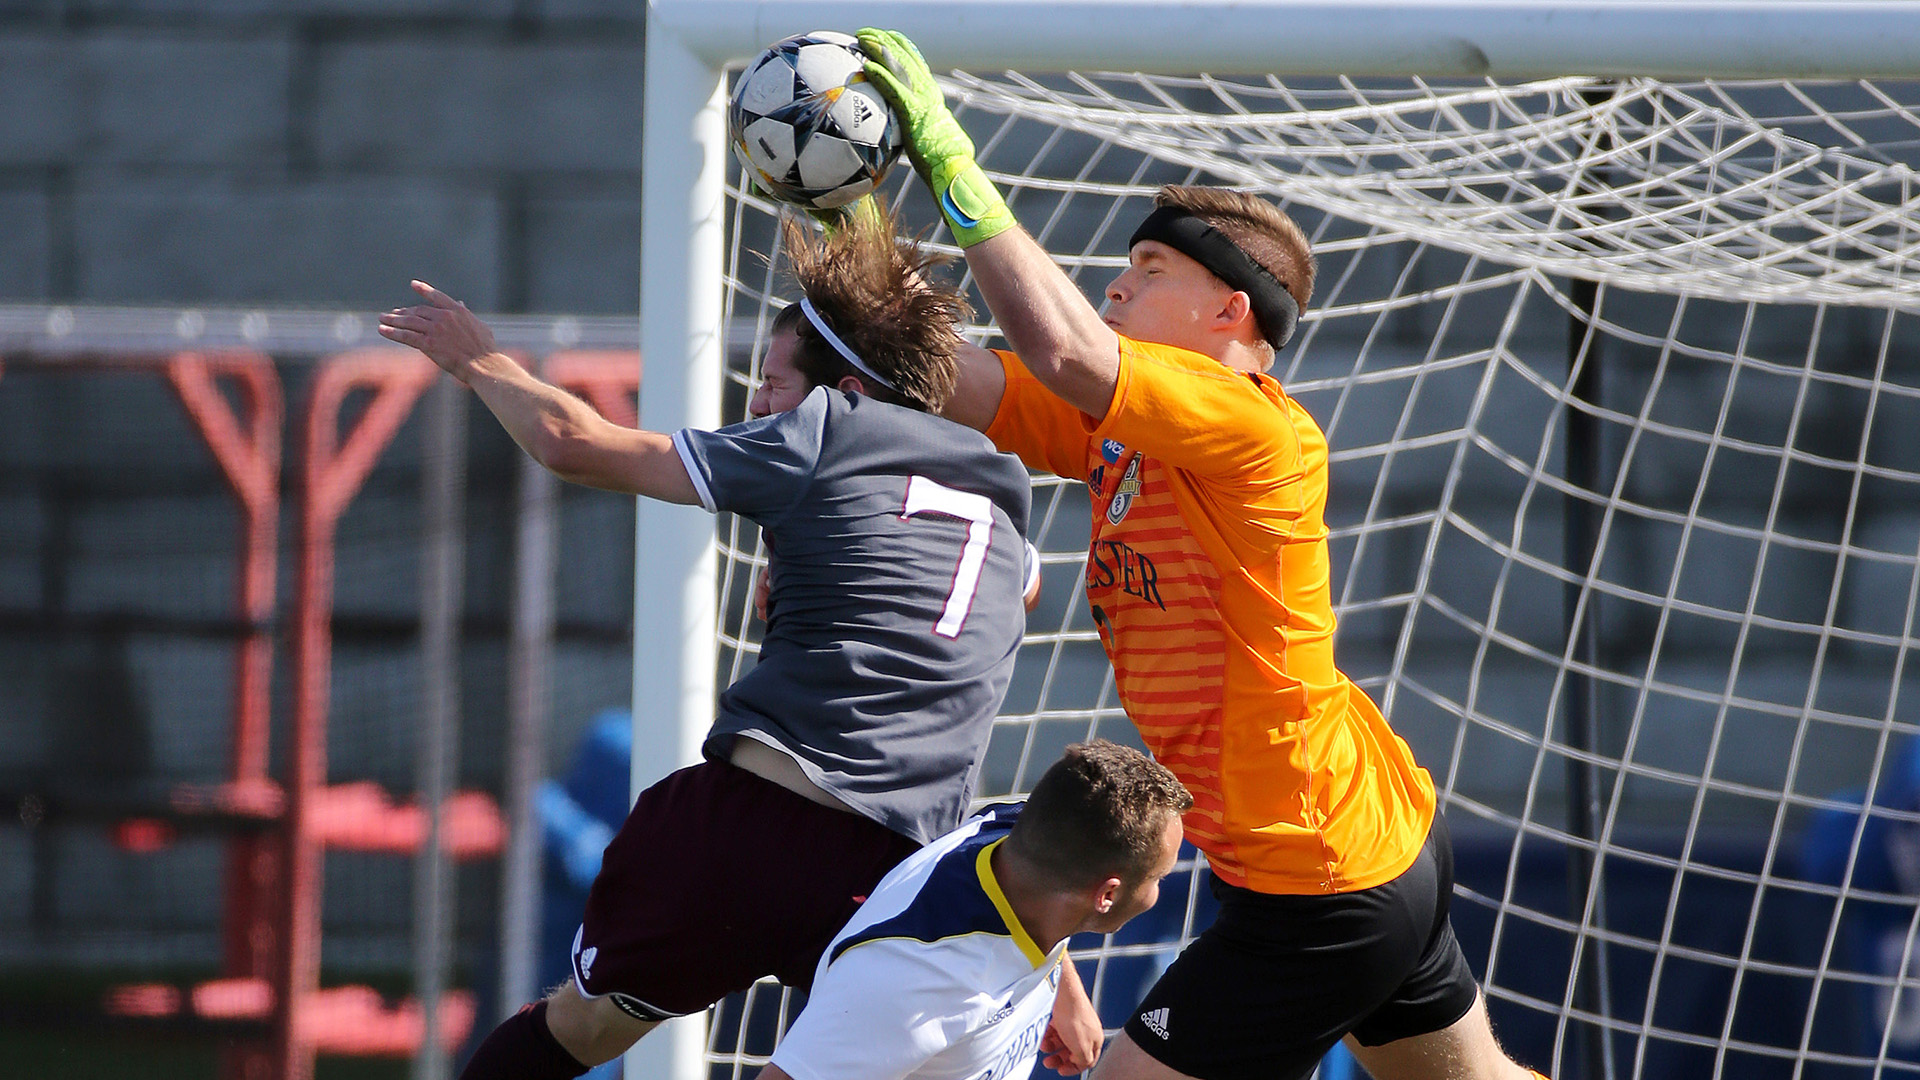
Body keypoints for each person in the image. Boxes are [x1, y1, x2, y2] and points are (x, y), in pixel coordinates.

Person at [855, 28, 1552, 1080]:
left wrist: (946, 155)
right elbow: (939, 375)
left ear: (1231, 310)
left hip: (1321, 879)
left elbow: (1061, 351)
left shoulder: (1253, 424)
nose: (1117, 285)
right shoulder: (1120, 427)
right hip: (1367, 834)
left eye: (1149, 266)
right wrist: (845, 210)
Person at [379, 204, 1054, 1079]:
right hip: (894, 882)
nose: (760, 403)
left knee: (577, 1036)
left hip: (749, 834)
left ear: (846, 393)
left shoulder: (829, 433)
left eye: (774, 382)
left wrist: (477, 357)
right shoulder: (1007, 501)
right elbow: (973, 600)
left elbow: (572, 441)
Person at [761, 740, 1192, 1080]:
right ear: (1107, 895)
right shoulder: (910, 982)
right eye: (1157, 878)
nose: (1158, 889)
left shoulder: (1024, 834)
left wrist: (1066, 990)